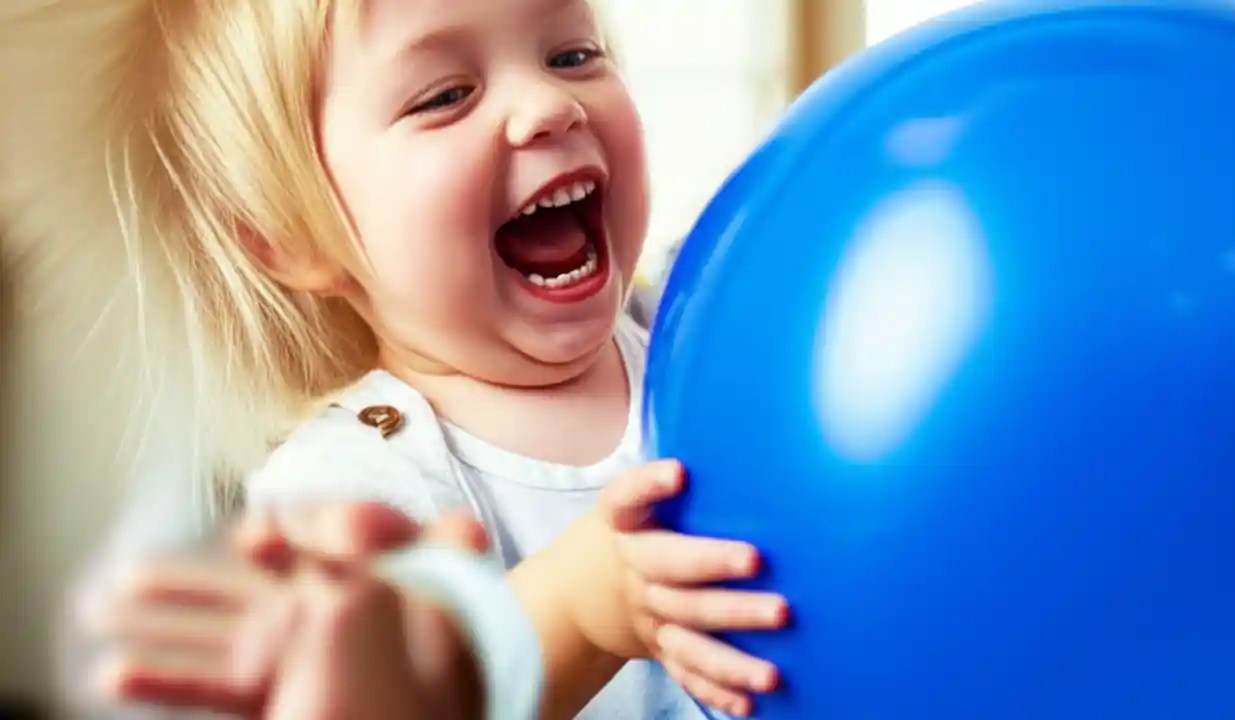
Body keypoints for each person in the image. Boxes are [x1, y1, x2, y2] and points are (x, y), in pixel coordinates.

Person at [0, 0, 789, 718]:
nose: (550, 105)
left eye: (572, 54)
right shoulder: (350, 496)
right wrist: (578, 610)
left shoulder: (697, 328)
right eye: (444, 96)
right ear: (288, 239)